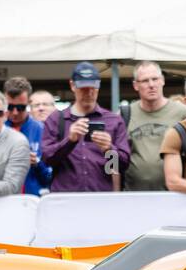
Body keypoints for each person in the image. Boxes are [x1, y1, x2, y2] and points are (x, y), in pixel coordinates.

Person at [41, 62, 130, 192]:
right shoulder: (56, 119)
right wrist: (69, 141)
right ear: (72, 85)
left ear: (98, 86)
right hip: (66, 201)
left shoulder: (114, 121)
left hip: (100, 199)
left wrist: (109, 149)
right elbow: (47, 160)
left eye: (92, 88)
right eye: (83, 88)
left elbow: (121, 166)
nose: (88, 93)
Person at [125, 61, 186, 191]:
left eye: (155, 79)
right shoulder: (124, 114)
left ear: (163, 81)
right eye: (145, 81)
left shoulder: (183, 112)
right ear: (135, 85)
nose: (151, 85)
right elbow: (113, 155)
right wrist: (114, 192)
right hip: (133, 196)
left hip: (175, 195)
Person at [2, 76, 49, 195]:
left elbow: (51, 177)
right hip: (3, 199)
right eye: (10, 107)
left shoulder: (42, 130)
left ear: (29, 103)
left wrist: (37, 163)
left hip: (32, 200)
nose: (15, 112)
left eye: (20, 108)